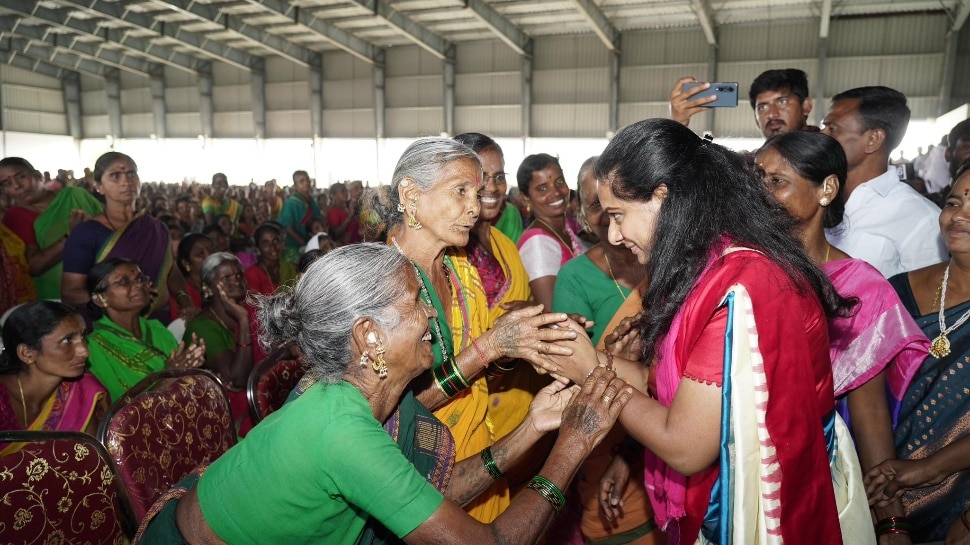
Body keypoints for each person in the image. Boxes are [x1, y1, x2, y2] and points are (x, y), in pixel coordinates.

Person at [134, 243, 632, 544]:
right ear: (369, 336)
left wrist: (533, 427)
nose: (434, 317)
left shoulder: (353, 396)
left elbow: (426, 494)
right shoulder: (340, 431)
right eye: (418, 303)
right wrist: (571, 446)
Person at [535, 118, 872, 544]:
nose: (615, 236)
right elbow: (661, 384)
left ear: (664, 197)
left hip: (759, 511)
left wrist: (591, 373)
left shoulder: (741, 286)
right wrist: (583, 353)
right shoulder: (703, 266)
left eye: (619, 215)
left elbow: (686, 445)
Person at [361, 137, 586, 523]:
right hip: (419, 464)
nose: (474, 205)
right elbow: (390, 408)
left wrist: (517, 344)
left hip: (477, 444)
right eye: (461, 191)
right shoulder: (382, 285)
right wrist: (491, 347)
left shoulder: (459, 266)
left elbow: (477, 365)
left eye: (478, 191)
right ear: (411, 195)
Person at [755, 131, 931, 539]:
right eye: (757, 180)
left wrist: (891, 519)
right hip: (744, 457)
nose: (761, 193)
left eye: (777, 181)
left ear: (827, 189)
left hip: (823, 467)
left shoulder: (858, 286)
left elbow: (868, 410)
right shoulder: (746, 270)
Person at [549, 156, 657, 545]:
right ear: (580, 209)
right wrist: (618, 358)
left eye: (613, 206)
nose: (606, 219)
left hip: (674, 415)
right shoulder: (574, 276)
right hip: (608, 423)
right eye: (593, 205)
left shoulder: (665, 264)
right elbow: (569, 370)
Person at [453, 132, 548, 488]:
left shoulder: (505, 244)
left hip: (515, 410)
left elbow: (516, 309)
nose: (491, 186)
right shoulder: (445, 253)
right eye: (480, 175)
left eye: (499, 175)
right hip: (464, 417)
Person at [884, 160, 970, 542]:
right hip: (884, 478)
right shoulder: (898, 289)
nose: (958, 217)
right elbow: (865, 396)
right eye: (953, 203)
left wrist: (933, 467)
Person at [821, 86, 947, 277]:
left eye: (833, 128)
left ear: (873, 139)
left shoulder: (921, 218)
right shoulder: (816, 197)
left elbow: (924, 302)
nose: (822, 135)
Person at [61, 152, 198, 324]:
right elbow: (70, 294)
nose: (126, 181)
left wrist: (184, 300)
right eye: (115, 176)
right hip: (108, 328)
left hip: (156, 323)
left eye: (132, 174)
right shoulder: (86, 233)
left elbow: (170, 269)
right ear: (98, 186)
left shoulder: (155, 227)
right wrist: (124, 296)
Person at [85, 258, 205, 401]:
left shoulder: (157, 328)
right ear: (100, 298)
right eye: (125, 281)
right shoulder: (93, 346)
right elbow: (115, 409)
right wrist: (166, 378)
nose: (139, 285)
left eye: (141, 279)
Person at [0, 301, 107, 455]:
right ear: (27, 353)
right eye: (67, 341)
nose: (84, 351)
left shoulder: (82, 392)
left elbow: (90, 460)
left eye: (83, 337)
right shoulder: (3, 400)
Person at [0, 156, 103, 299]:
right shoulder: (15, 217)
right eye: (6, 183)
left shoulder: (76, 196)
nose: (17, 185)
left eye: (21, 176)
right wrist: (70, 236)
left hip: (101, 287)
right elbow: (33, 266)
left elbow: (112, 233)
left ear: (38, 175)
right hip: (54, 299)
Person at [183, 252, 255, 435]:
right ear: (208, 288)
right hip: (223, 412)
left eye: (239, 275)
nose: (236, 281)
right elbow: (237, 379)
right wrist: (243, 320)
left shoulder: (254, 308)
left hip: (255, 394)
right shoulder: (201, 326)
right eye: (226, 278)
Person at [516, 153, 587, 310]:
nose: (556, 192)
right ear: (525, 198)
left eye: (559, 182)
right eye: (542, 188)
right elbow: (552, 309)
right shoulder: (537, 242)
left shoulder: (567, 229)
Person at [669, 68, 817, 140]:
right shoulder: (751, 167)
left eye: (782, 102)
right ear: (756, 119)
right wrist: (678, 123)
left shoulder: (832, 149)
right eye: (762, 107)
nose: (772, 114)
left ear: (806, 106)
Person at [169, 233, 214, 321]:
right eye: (200, 254)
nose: (209, 256)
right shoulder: (182, 294)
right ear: (186, 263)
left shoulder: (217, 284)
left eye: (212, 251)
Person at [279, 170, 321, 262]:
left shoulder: (312, 202)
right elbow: (287, 227)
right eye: (301, 181)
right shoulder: (290, 202)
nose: (306, 183)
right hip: (296, 246)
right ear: (295, 185)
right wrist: (304, 243)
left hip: (313, 243)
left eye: (307, 180)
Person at [245, 223, 296, 296]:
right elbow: (253, 306)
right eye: (266, 244)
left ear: (282, 243)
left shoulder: (288, 268)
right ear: (258, 249)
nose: (273, 247)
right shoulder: (252, 274)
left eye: (276, 241)